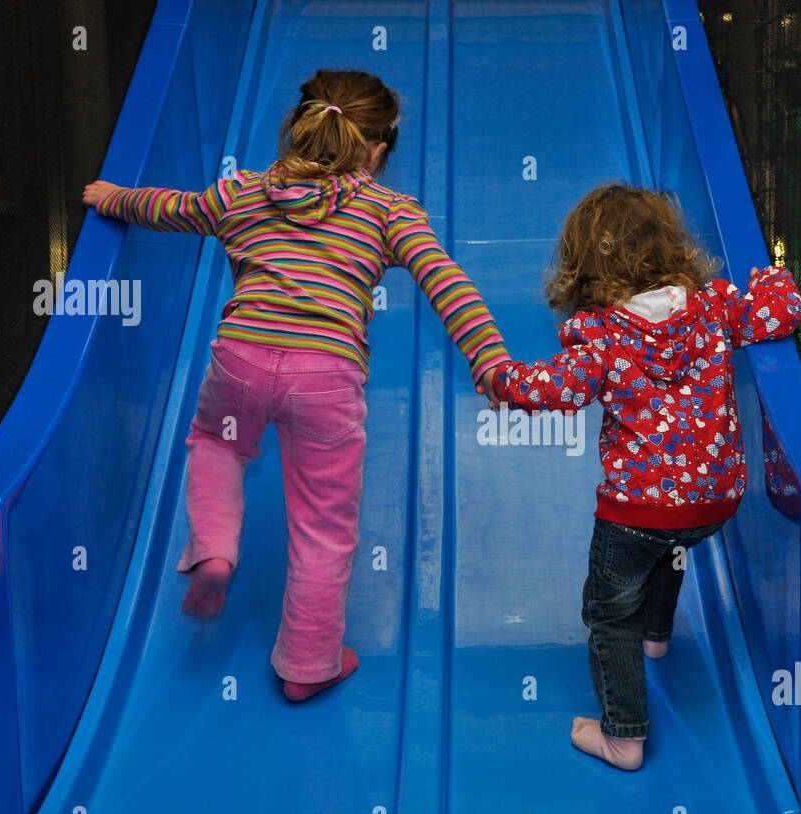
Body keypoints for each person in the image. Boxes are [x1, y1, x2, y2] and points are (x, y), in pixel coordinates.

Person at [83, 69, 509, 701]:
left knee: (217, 444)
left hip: (241, 359)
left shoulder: (240, 193)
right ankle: (307, 668)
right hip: (325, 377)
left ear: (297, 128)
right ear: (377, 151)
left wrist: (114, 196)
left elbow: (169, 208)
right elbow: (447, 282)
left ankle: (214, 548)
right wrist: (490, 361)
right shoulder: (390, 210)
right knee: (323, 527)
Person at [489, 183, 801, 769]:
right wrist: (771, 276)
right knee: (670, 547)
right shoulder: (712, 307)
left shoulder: (603, 335)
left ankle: (623, 736)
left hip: (636, 512)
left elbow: (554, 389)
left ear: (585, 266)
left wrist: (502, 380)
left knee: (609, 612)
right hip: (714, 501)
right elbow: (783, 307)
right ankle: (657, 636)